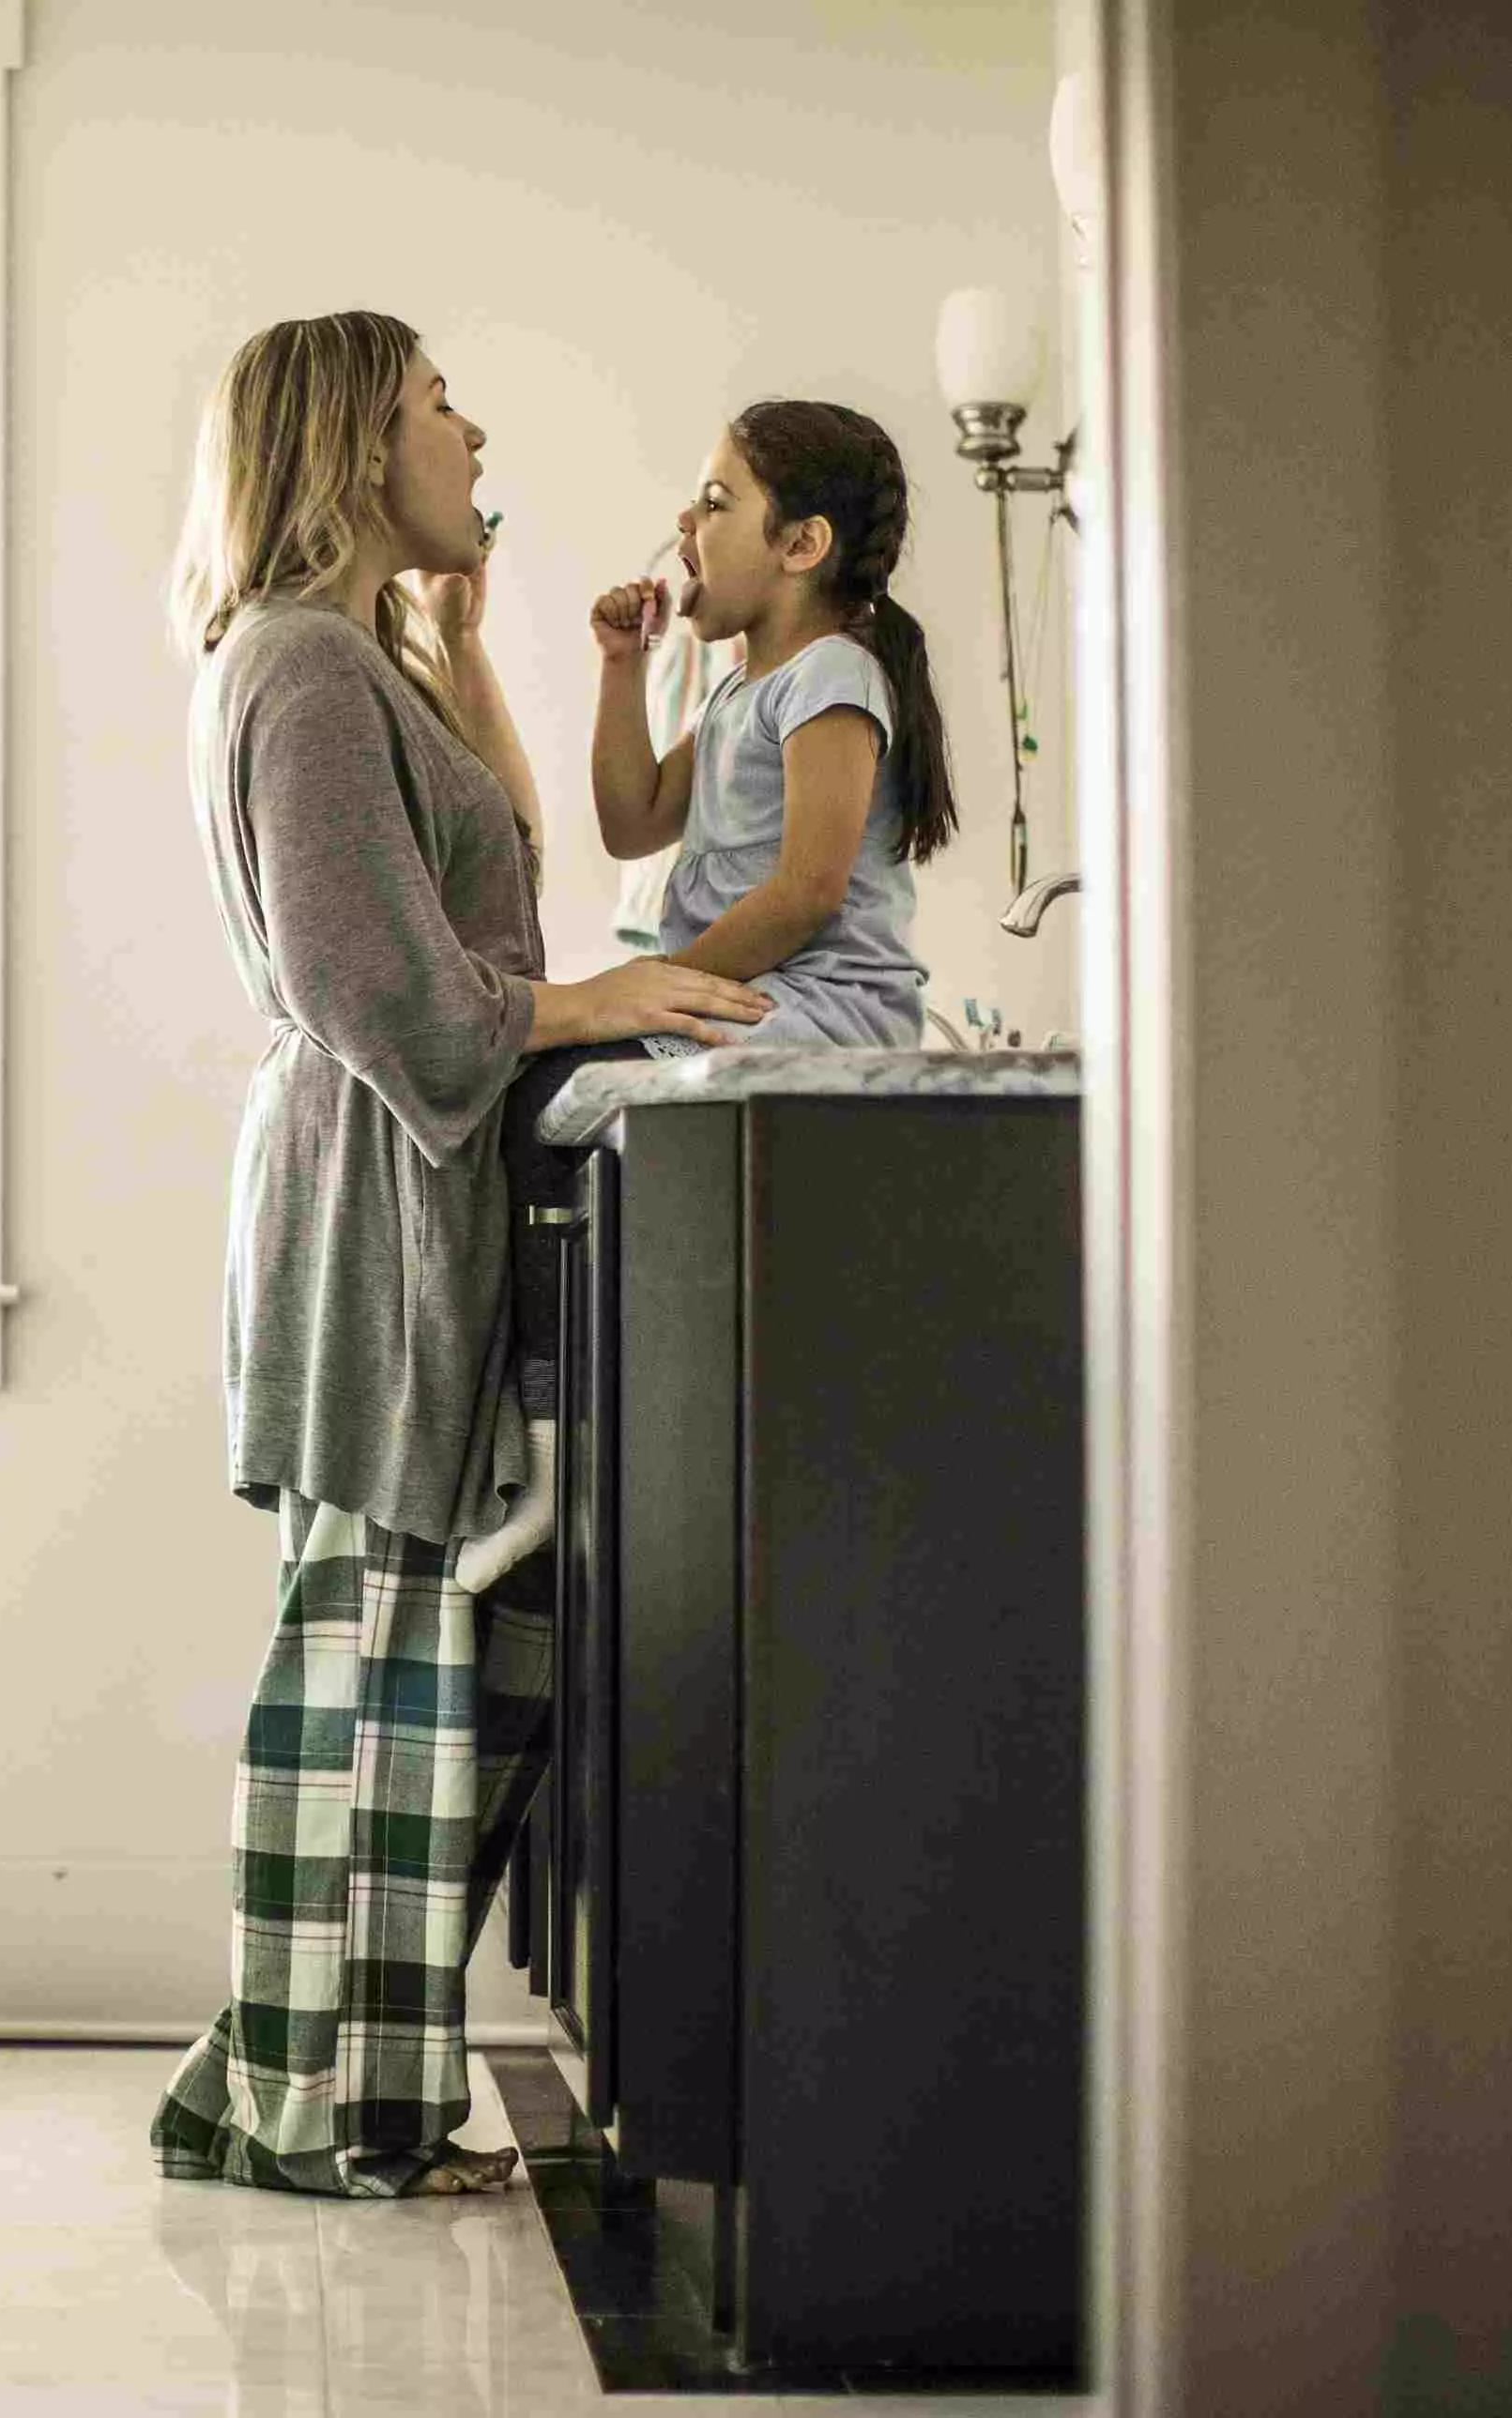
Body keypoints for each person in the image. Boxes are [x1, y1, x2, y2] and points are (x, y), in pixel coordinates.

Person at [146, 311, 770, 2197]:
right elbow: (379, 987)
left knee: (417, 1650)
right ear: (351, 445)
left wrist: (476, 636)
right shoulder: (305, 668)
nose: (471, 422)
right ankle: (313, 2114)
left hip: (402, 1195)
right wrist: (586, 1008)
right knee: (372, 1649)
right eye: (435, 403)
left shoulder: (361, 662)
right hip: (370, 1208)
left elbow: (498, 866)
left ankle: (317, 2094)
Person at [466, 399, 962, 1591]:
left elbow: (805, 891)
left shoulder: (832, 676)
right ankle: (561, 1442)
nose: (684, 523)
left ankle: (551, 1466)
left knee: (548, 1096)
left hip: (824, 1005)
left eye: (717, 500)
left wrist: (648, 990)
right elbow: (631, 815)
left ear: (801, 547)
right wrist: (621, 668)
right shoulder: (744, 685)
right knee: (547, 1103)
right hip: (757, 992)